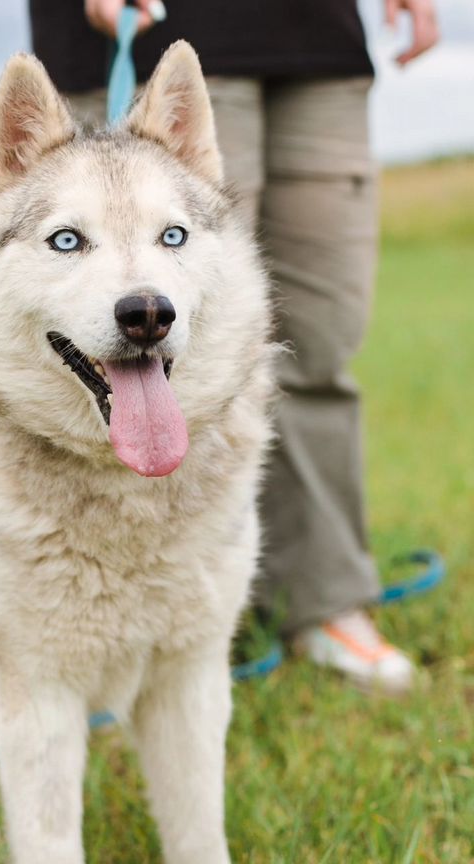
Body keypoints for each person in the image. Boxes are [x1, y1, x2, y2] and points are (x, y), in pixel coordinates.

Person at [28, 0, 440, 695]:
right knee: (135, 351)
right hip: (168, 30)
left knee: (318, 344)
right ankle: (132, 638)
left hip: (317, 46)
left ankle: (320, 601)